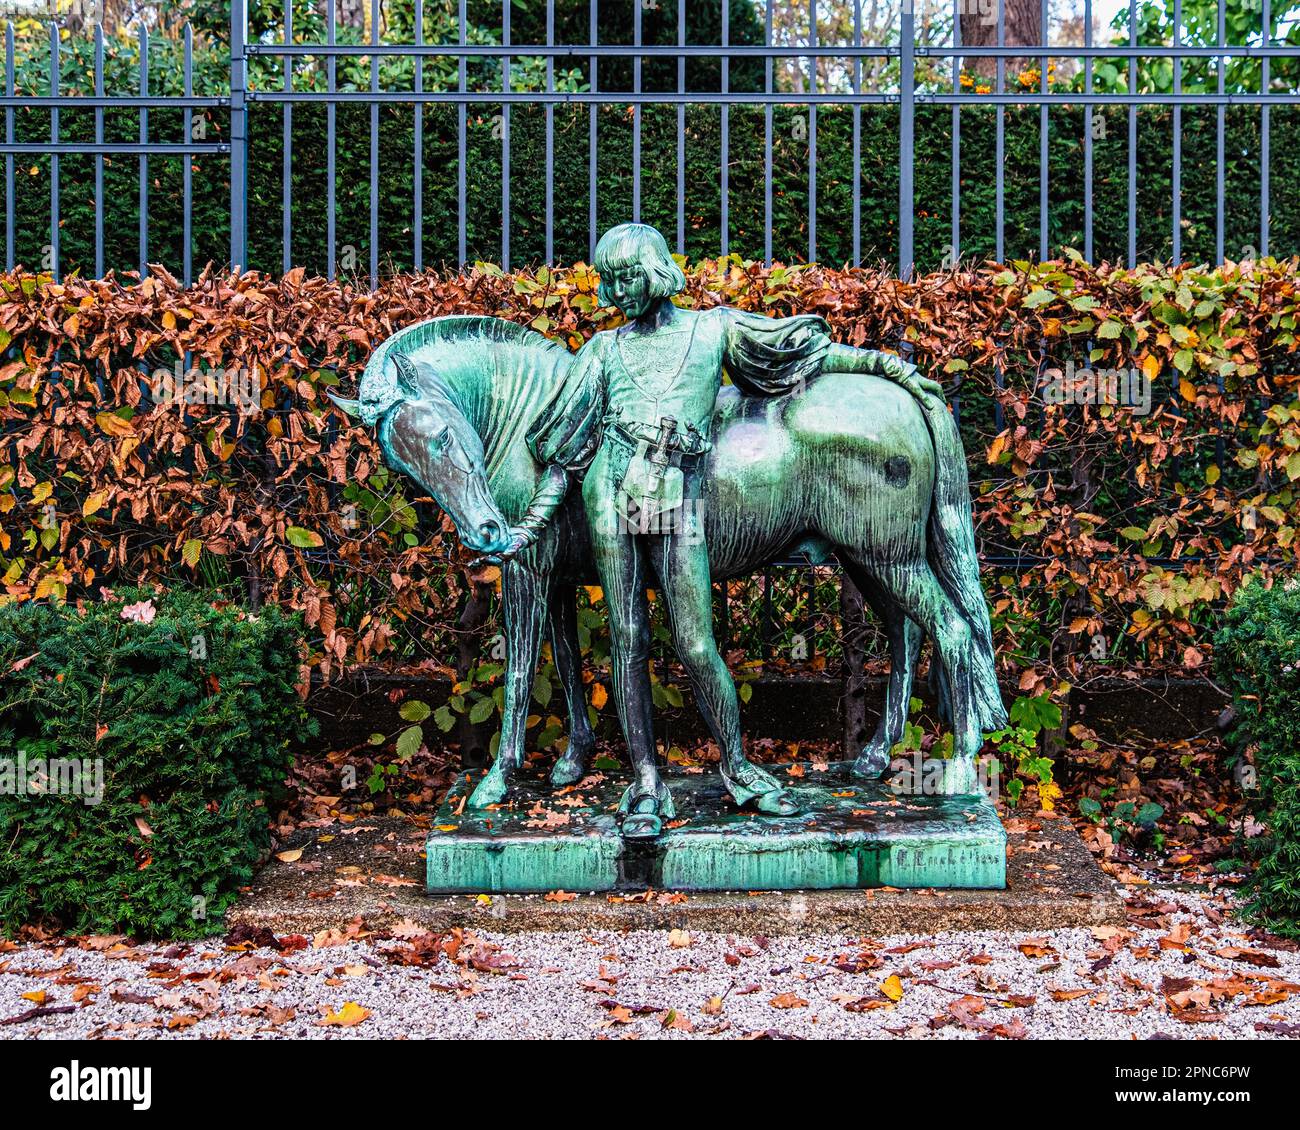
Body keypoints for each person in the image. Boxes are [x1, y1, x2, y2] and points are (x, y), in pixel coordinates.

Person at [493, 223, 944, 837]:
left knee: (697, 642)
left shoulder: (713, 329)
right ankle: (647, 783)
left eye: (628, 275)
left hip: (679, 493)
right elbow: (567, 452)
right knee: (627, 639)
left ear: (655, 272)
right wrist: (530, 527)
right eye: (609, 278)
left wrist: (883, 366)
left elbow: (801, 356)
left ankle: (736, 765)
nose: (618, 290)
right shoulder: (601, 351)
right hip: (612, 494)